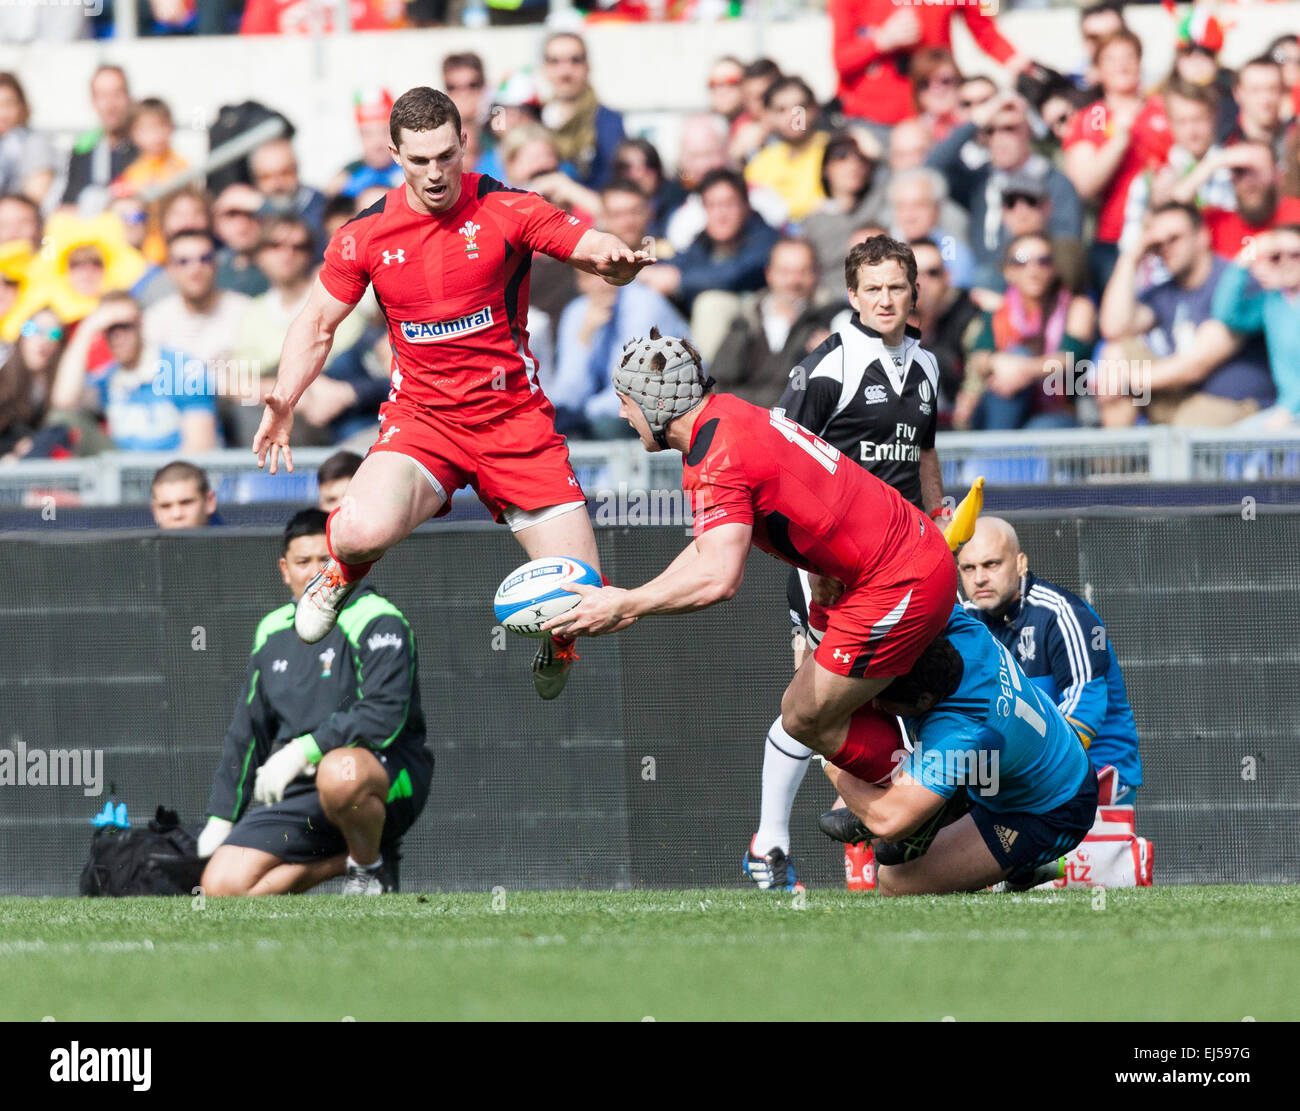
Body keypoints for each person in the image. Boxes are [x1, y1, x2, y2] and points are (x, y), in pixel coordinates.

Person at [252, 87, 652, 702]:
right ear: (394, 154)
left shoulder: (508, 206)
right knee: (357, 530)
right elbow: (317, 323)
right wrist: (284, 397)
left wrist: (613, 260)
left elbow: (585, 242)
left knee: (584, 595)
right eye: (419, 160)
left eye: (446, 155)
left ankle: (557, 638)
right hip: (424, 422)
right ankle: (338, 575)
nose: (435, 173)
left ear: (464, 142)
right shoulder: (365, 233)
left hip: (513, 422)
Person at [546, 328, 960, 883]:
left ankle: (925, 804)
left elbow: (719, 577)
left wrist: (626, 606)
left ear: (653, 402)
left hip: (902, 578)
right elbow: (708, 549)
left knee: (806, 715)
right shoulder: (727, 418)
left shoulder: (717, 453)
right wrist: (627, 598)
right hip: (888, 569)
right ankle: (919, 805)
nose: (622, 415)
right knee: (818, 714)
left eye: (625, 401)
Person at [737, 235, 950, 889]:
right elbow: (773, 457)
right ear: (853, 296)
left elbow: (926, 453)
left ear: (914, 292)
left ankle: (892, 844)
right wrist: (809, 560)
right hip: (834, 570)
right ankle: (770, 841)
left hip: (909, 566)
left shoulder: (929, 366)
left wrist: (941, 521)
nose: (886, 299)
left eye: (897, 287)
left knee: (915, 701)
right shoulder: (828, 367)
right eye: (874, 289)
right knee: (820, 704)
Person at [198, 508, 433, 896]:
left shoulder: (378, 618)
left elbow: (383, 716)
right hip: (305, 790)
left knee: (340, 772)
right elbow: (248, 730)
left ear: (344, 564)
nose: (313, 572)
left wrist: (300, 752)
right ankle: (364, 860)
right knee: (223, 886)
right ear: (284, 569)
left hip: (383, 777)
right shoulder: (271, 629)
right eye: (302, 562)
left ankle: (367, 870)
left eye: (325, 561)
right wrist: (222, 816)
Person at [817, 605, 1098, 896]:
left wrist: (831, 761)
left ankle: (1023, 863)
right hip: (1012, 770)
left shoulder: (959, 731)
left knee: (894, 880)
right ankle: (957, 806)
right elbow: (911, 595)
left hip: (1051, 810)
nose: (875, 705)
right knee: (871, 822)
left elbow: (890, 820)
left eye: (883, 700)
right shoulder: (959, 626)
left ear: (924, 700)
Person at [958, 517, 1141, 806]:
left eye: (991, 564)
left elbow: (1086, 708)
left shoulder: (1063, 613)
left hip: (1097, 776)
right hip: (1020, 780)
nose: (979, 578)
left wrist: (1025, 769)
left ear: (1020, 563)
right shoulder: (963, 622)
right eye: (968, 568)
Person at [1097, 201, 1273, 427]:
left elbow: (1196, 364)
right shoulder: (1164, 291)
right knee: (1116, 352)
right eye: (1158, 243)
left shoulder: (1234, 282)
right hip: (1182, 400)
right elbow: (1113, 327)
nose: (1166, 248)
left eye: (1174, 238)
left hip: (1236, 404)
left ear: (1201, 236)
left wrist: (1125, 381)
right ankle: (1117, 461)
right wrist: (1131, 257)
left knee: (1186, 428)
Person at [927, 90, 1082, 281]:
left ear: (1029, 130)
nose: (998, 139)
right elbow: (932, 168)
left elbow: (1068, 251)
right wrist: (976, 121)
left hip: (1036, 281)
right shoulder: (980, 180)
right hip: (982, 281)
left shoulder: (1054, 182)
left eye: (1009, 128)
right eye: (990, 130)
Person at [1062, 29, 1171, 291]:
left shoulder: (1163, 110)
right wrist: (1119, 140)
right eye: (1111, 59)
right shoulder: (1092, 118)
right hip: (1112, 241)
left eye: (1129, 57)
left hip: (1164, 236)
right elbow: (1084, 186)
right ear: (1098, 69)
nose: (1121, 65)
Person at [49, 291, 218, 454]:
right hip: (124, 475)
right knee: (62, 420)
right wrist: (87, 329)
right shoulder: (109, 377)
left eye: (125, 326)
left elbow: (199, 449)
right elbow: (64, 401)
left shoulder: (182, 370)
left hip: (175, 475)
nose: (118, 336)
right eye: (109, 329)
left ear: (140, 323)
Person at [956, 233, 1095, 430]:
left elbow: (1069, 359)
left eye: (1043, 261)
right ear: (1008, 271)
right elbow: (979, 356)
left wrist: (1022, 370)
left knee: (1042, 428)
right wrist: (997, 361)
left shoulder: (1076, 306)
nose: (1033, 270)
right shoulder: (999, 311)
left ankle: (993, 456)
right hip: (1003, 405)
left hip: (1055, 411)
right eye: (1021, 261)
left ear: (1054, 268)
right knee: (1011, 364)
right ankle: (995, 452)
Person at [827, 0, 1026, 129]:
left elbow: (985, 32)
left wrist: (1017, 62)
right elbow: (841, 60)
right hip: (873, 118)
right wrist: (881, 42)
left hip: (935, 114)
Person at [708, 237, 833, 409]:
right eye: (784, 272)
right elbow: (719, 382)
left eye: (803, 272)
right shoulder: (746, 319)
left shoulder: (830, 320)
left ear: (817, 274)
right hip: (741, 418)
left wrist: (831, 357)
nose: (793, 281)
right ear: (769, 274)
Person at [1212, 225, 1300, 429]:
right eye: (1276, 256)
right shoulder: (1272, 301)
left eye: (1295, 255)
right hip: (1287, 413)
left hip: (1288, 412)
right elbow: (1226, 313)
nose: (1285, 263)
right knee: (1234, 441)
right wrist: (1246, 256)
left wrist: (1289, 409)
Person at [143, 229, 250, 370]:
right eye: (183, 261)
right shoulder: (154, 321)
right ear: (170, 270)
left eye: (204, 259)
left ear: (216, 265)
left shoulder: (245, 311)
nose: (195, 269)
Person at [802, 131, 888, 301]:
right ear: (826, 168)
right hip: (829, 298)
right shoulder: (814, 221)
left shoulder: (879, 203)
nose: (853, 166)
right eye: (841, 158)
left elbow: (907, 178)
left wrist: (880, 155)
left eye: (861, 159)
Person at [539, 31, 625, 189]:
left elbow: (612, 185)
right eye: (554, 61)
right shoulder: (536, 119)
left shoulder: (608, 122)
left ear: (588, 67)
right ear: (544, 68)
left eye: (575, 60)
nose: (565, 71)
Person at [743, 76, 829, 224]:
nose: (793, 117)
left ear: (814, 109)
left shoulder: (834, 150)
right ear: (768, 115)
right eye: (781, 110)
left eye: (799, 108)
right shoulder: (759, 163)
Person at [1200, 142, 1300, 259]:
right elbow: (1175, 214)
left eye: (1255, 171)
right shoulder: (1216, 224)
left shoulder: (1297, 214)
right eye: (1239, 172)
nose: (1248, 181)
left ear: (1278, 175)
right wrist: (1213, 163)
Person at [60, 64, 138, 211]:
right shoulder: (83, 150)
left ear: (129, 98)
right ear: (93, 102)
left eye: (117, 94)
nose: (110, 105)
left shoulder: (145, 146)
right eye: (102, 96)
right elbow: (68, 203)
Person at [249, 137, 327, 256]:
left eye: (285, 173)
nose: (277, 183)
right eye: (266, 177)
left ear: (297, 170)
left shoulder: (323, 207)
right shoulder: (252, 216)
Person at [0, 72, 57, 205]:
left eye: (9, 104)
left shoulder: (35, 143)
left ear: (21, 107)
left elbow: (33, 199)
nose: (3, 113)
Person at [212, 183, 270, 296]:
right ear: (217, 225)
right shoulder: (213, 272)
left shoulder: (288, 256)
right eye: (231, 215)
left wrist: (263, 204)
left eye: (250, 213)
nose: (242, 224)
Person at [149, 460, 221, 528]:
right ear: (155, 511)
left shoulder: (230, 540)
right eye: (165, 506)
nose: (177, 514)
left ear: (209, 502)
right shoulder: (144, 541)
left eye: (186, 503)